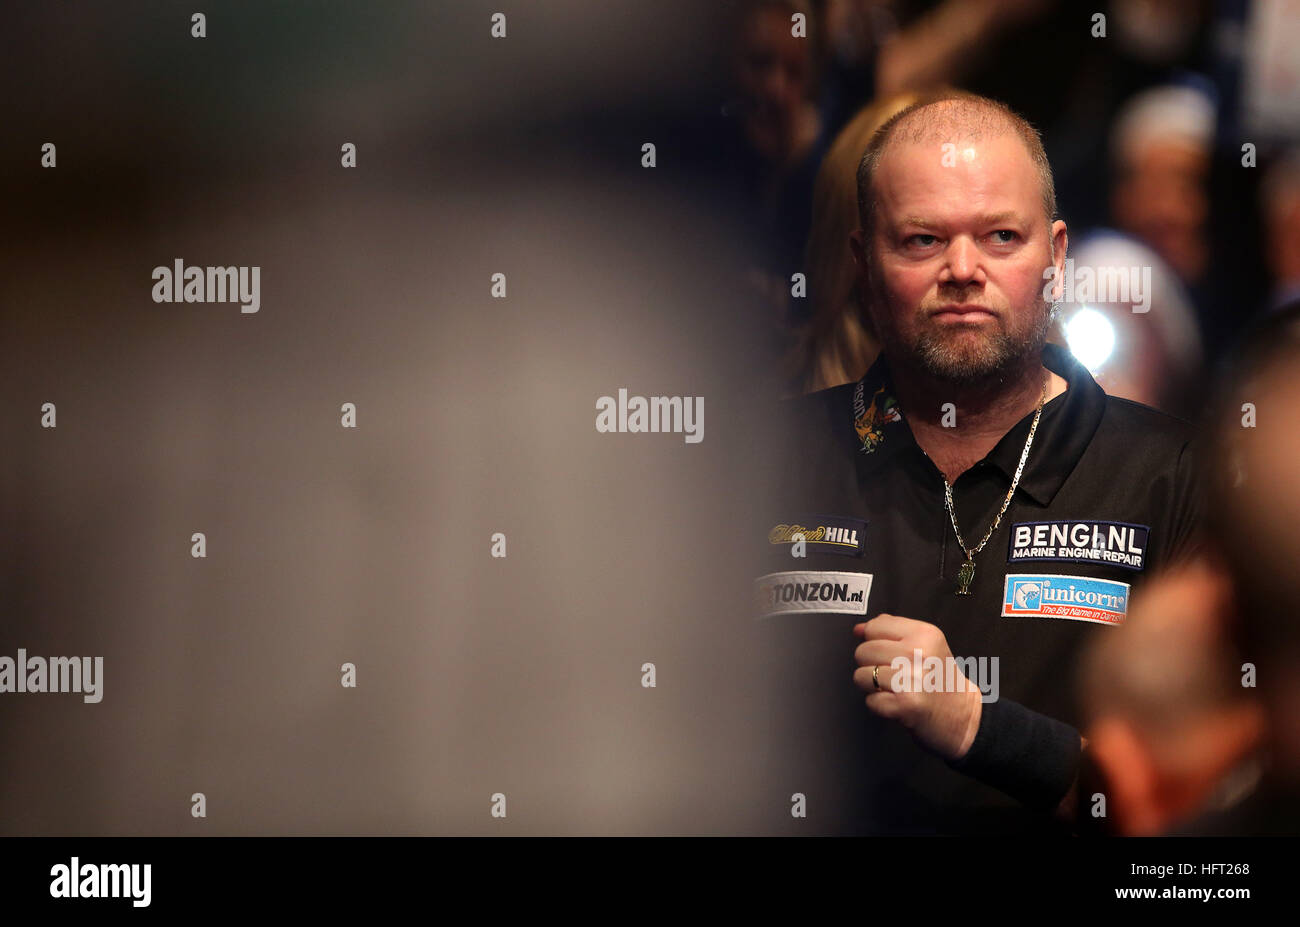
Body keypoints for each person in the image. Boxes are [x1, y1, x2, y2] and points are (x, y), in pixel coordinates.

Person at [753, 91, 1203, 834]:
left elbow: (1202, 807)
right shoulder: (767, 459)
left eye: (1000, 236)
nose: (963, 269)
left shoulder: (1169, 473)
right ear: (865, 262)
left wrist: (978, 725)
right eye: (923, 240)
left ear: (1055, 256)